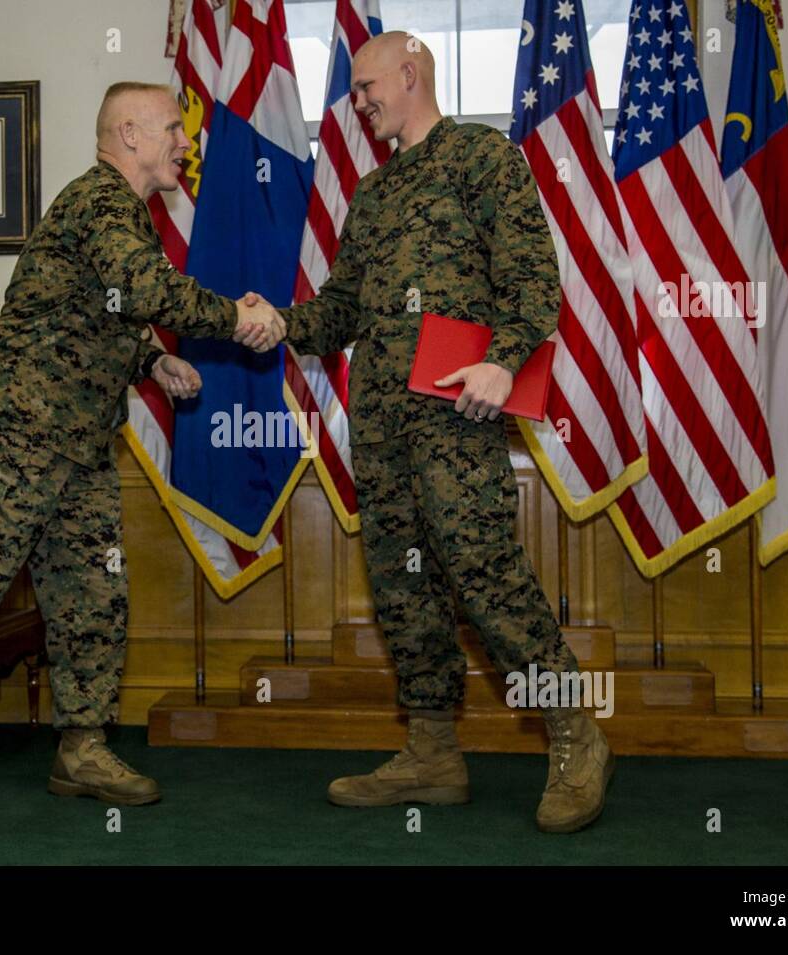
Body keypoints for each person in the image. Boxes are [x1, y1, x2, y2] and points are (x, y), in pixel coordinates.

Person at [0, 81, 284, 812]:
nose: (184, 143)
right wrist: (237, 315)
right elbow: (142, 287)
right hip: (13, 432)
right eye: (171, 129)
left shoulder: (121, 213)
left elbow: (95, 312)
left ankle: (83, 748)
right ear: (128, 134)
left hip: (81, 442)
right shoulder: (99, 201)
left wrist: (149, 361)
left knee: (93, 596)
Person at [239, 32, 613, 833]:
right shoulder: (371, 197)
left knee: (486, 578)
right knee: (403, 591)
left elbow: (532, 275)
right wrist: (282, 323)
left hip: (456, 417)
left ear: (410, 74)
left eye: (368, 86)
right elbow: (340, 309)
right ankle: (434, 753)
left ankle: (576, 731)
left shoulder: (482, 158)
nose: (360, 102)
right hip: (381, 428)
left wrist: (505, 362)